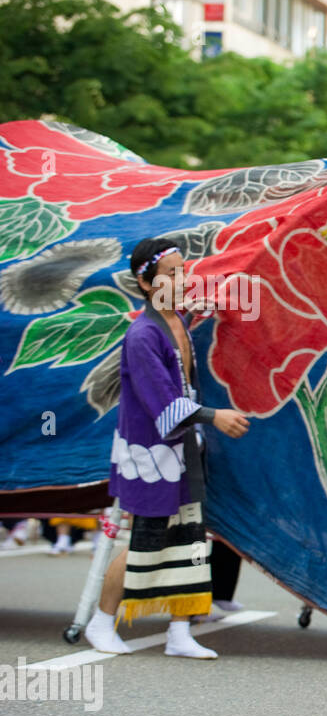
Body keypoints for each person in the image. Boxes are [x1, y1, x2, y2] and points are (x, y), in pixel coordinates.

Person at [82, 238, 250, 658]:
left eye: (183, 271)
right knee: (148, 538)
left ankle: (179, 632)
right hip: (151, 454)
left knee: (191, 539)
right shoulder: (142, 335)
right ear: (145, 282)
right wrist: (215, 417)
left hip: (184, 447)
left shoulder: (179, 320)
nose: (182, 279)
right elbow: (164, 404)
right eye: (171, 274)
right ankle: (101, 622)